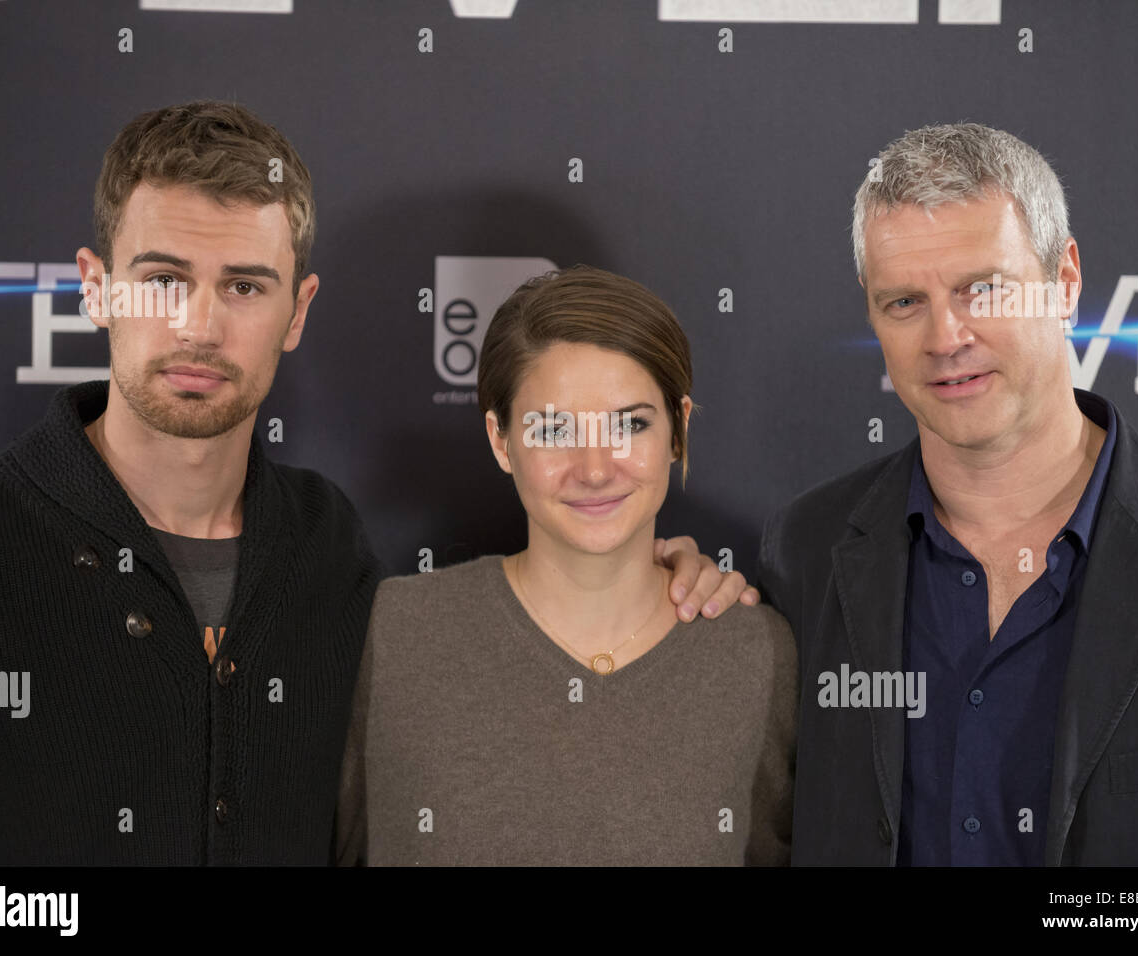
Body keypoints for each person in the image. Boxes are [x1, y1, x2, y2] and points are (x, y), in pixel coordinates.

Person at [0, 102, 744, 865]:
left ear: (299, 311)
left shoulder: (330, 547)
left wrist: (653, 576)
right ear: (96, 287)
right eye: (164, 278)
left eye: (244, 286)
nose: (199, 326)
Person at [759, 123, 1138, 866]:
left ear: (1065, 281)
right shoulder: (801, 554)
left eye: (982, 288)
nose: (946, 336)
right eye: (905, 301)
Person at [335, 266, 797, 866]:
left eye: (630, 424)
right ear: (501, 441)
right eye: (553, 428)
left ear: (678, 430)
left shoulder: (758, 653)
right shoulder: (397, 631)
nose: (596, 468)